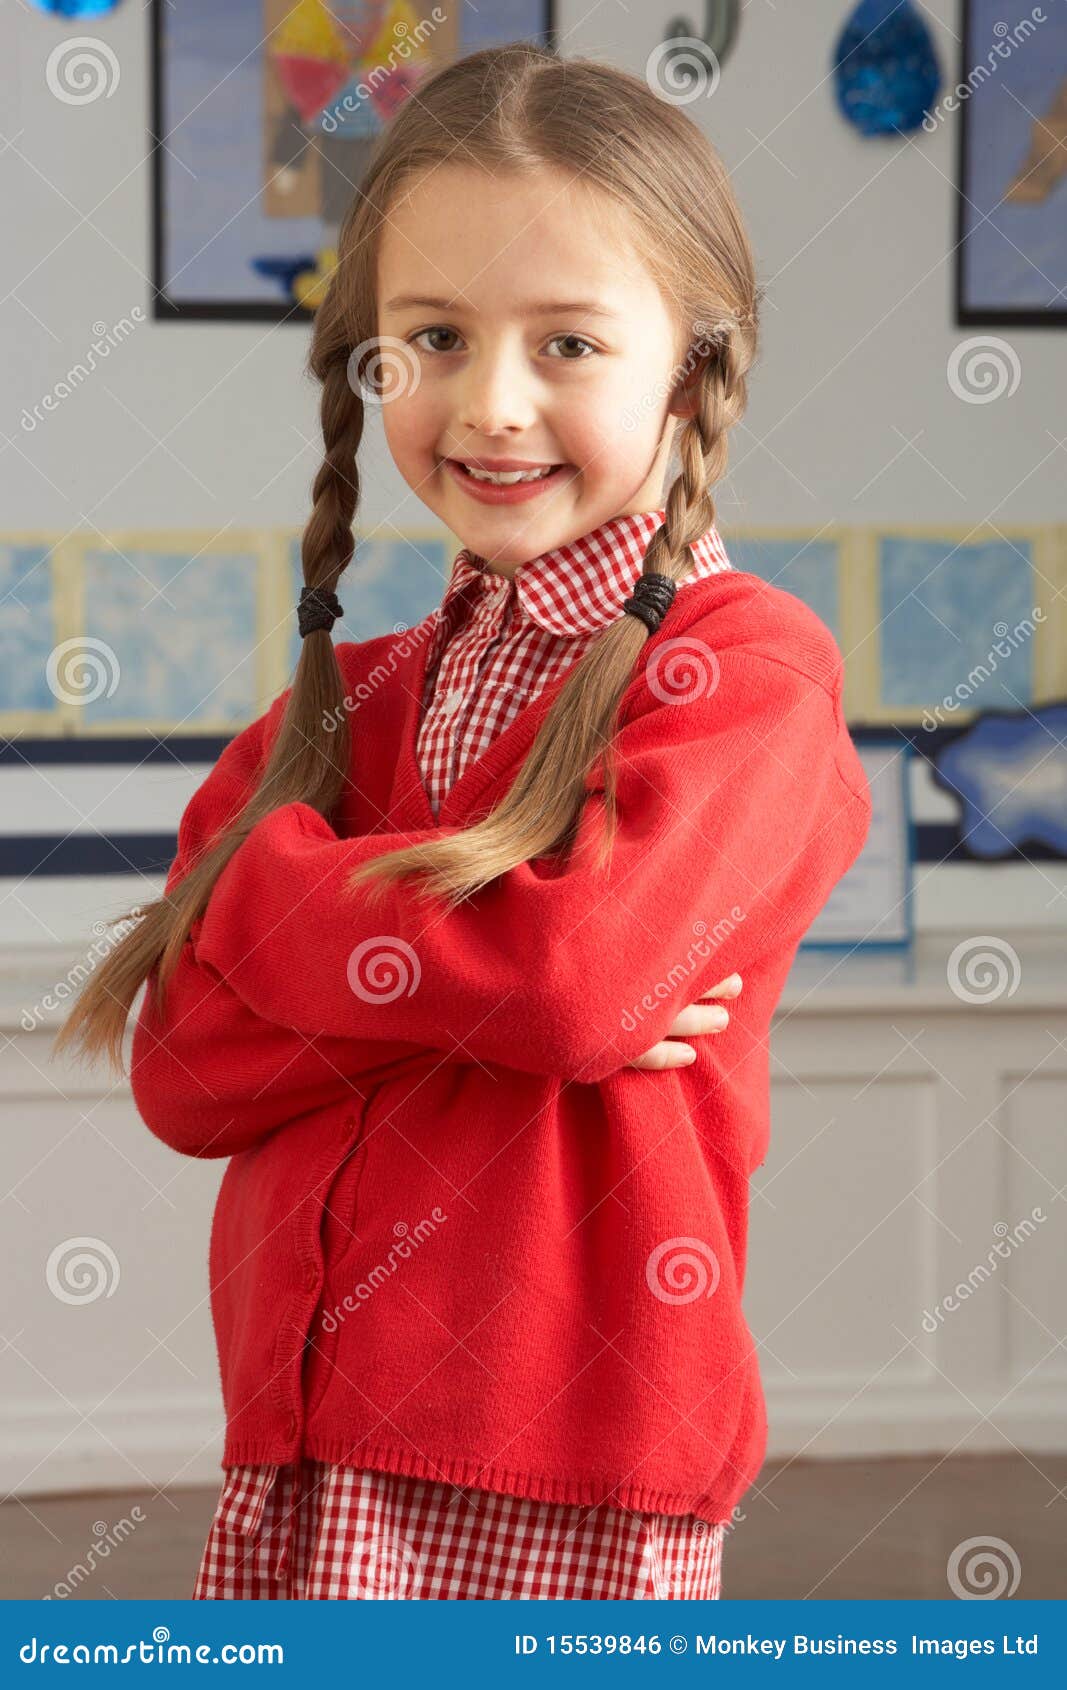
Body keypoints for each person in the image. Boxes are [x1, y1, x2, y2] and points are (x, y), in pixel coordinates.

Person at [55, 42, 871, 1601]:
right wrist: (499, 975)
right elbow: (181, 1064)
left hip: (568, 1467)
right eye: (434, 336)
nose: (492, 405)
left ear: (693, 366)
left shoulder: (746, 675)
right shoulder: (347, 702)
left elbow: (575, 980)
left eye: (568, 341)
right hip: (302, 1438)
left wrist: (274, 900)